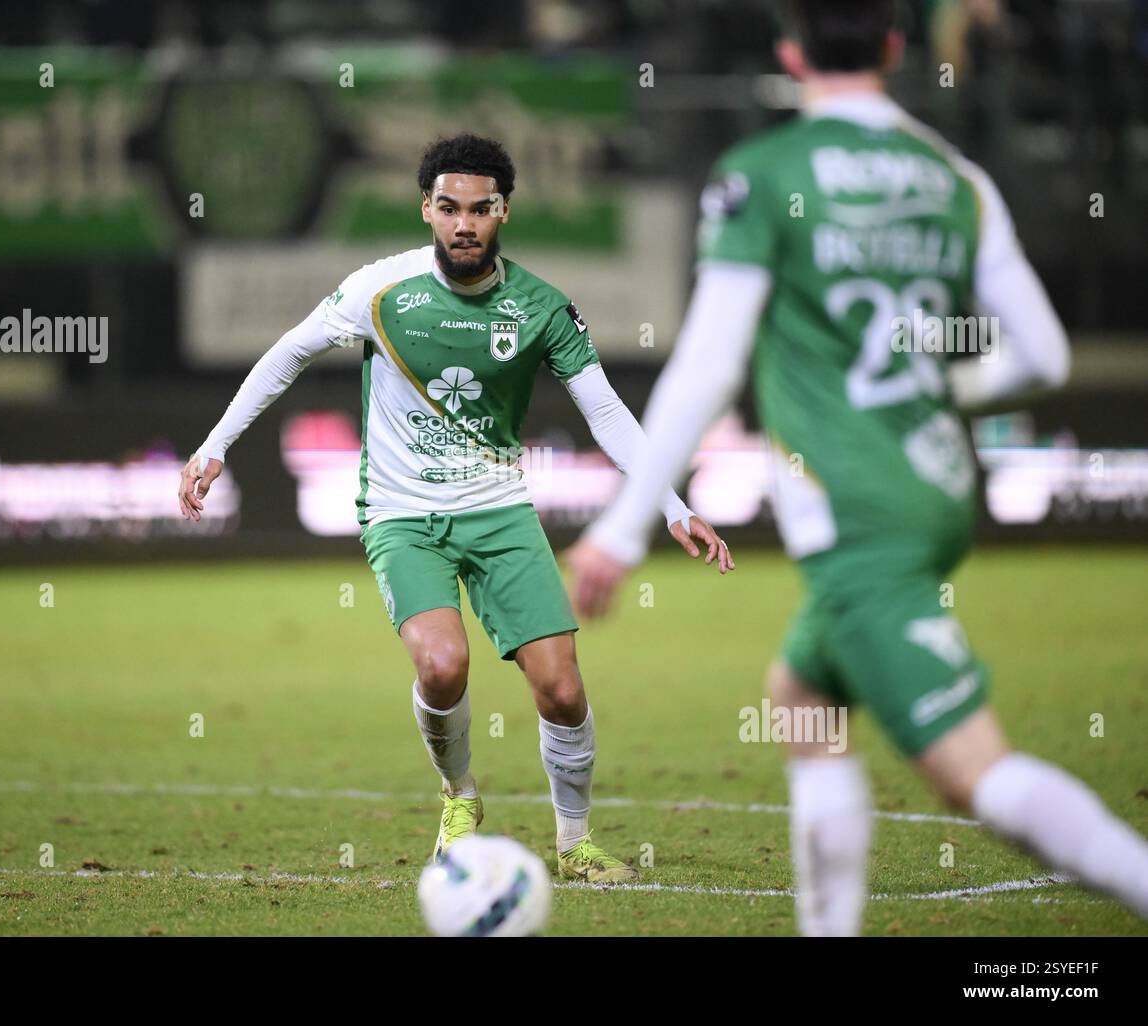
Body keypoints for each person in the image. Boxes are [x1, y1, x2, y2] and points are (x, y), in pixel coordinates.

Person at [567, 0, 1148, 930]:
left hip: (858, 509)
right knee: (801, 700)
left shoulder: (763, 177)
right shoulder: (956, 178)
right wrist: (931, 388)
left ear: (789, 51)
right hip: (938, 484)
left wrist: (622, 530)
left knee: (973, 773)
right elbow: (1043, 355)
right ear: (894, 45)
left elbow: (711, 363)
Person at [178, 133, 732, 882]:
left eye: (479, 209)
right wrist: (216, 444)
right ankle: (460, 798)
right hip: (402, 515)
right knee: (442, 666)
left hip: (500, 511)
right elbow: (287, 353)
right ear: (426, 211)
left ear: (504, 211)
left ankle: (573, 845)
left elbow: (604, 412)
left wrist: (670, 504)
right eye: (448, 208)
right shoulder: (380, 289)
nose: (463, 224)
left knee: (562, 689)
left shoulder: (540, 307)